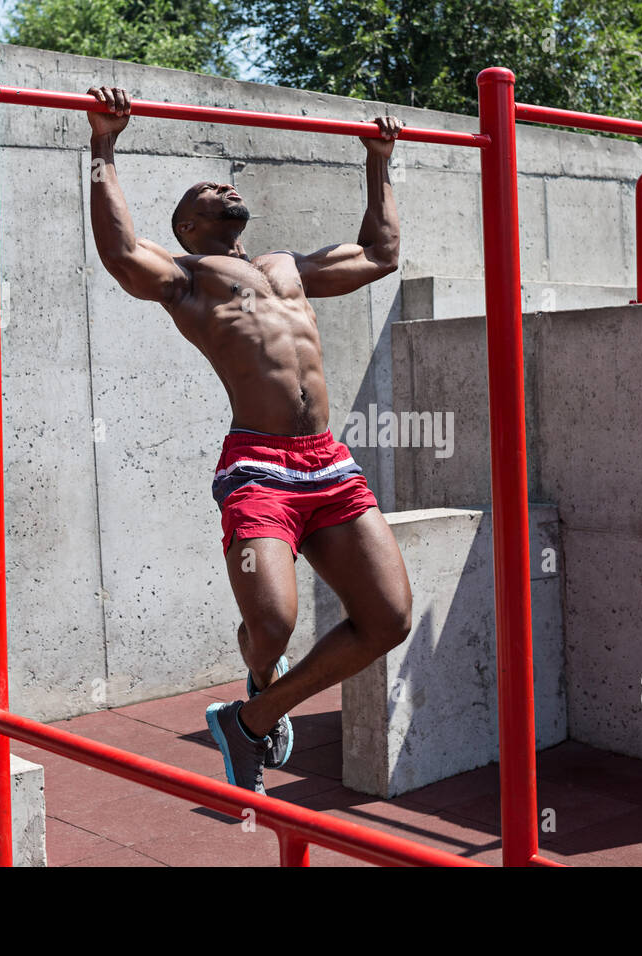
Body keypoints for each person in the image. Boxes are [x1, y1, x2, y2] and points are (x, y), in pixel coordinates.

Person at [86, 86, 413, 794]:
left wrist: (378, 161)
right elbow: (117, 251)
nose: (222, 184)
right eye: (205, 190)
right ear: (188, 226)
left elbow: (382, 253)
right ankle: (260, 678)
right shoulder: (187, 280)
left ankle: (252, 718)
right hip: (260, 469)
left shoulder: (289, 268)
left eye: (225, 182)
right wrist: (104, 145)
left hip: (329, 463)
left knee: (388, 619)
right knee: (272, 626)